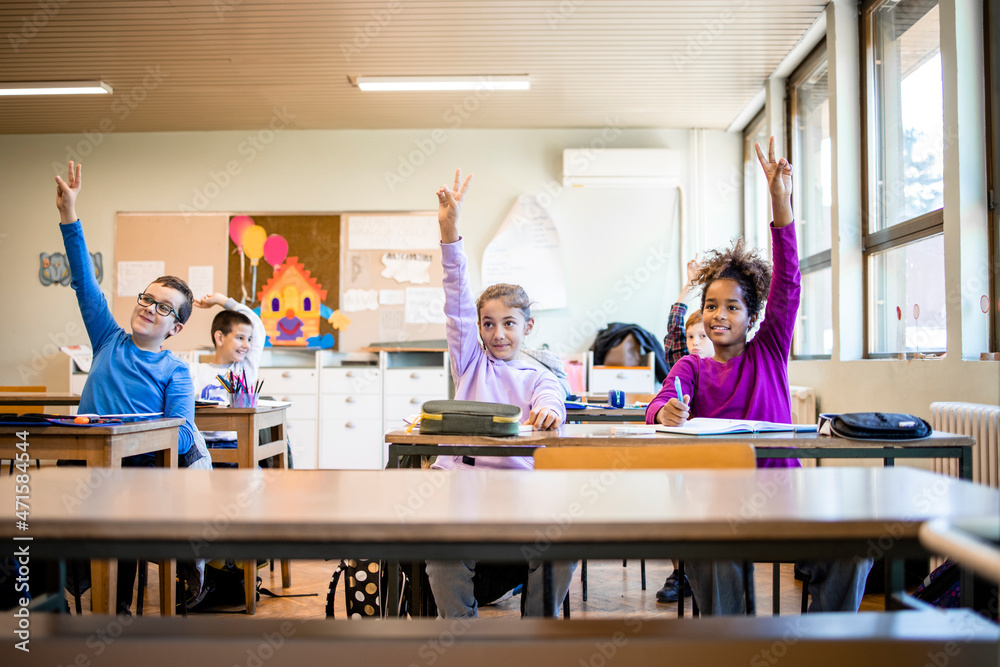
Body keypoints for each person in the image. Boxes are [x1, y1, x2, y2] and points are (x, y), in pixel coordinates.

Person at [645, 138, 872, 615]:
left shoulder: (769, 351)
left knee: (854, 546)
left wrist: (780, 202)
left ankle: (825, 638)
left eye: (732, 307)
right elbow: (656, 408)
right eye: (711, 306)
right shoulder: (691, 367)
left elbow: (789, 279)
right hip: (719, 508)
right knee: (710, 550)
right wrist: (664, 411)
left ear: (752, 316)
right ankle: (734, 644)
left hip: (785, 501)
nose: (719, 315)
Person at [55, 161, 211, 615]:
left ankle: (118, 612)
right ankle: (50, 606)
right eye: (146, 298)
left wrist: (131, 431)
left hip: (135, 469)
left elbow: (183, 434)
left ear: (176, 328)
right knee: (32, 515)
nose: (148, 308)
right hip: (83, 457)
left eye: (163, 308)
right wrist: (70, 215)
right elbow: (84, 282)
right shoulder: (107, 338)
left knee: (121, 522)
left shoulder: (175, 370)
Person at [424, 169, 576, 618]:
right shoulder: (470, 361)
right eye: (488, 324)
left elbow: (552, 400)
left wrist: (549, 412)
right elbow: (456, 297)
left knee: (562, 549)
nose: (497, 333)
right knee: (444, 553)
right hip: (462, 484)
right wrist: (449, 231)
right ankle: (462, 641)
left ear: (528, 327)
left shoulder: (539, 374)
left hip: (520, 491)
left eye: (509, 323)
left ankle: (533, 637)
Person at [655, 257, 714, 604]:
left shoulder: (730, 362)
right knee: (676, 509)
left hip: (713, 460)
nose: (694, 341)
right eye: (690, 336)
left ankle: (701, 569)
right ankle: (682, 571)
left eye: (701, 336)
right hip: (681, 456)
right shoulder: (684, 362)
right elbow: (674, 325)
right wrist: (688, 286)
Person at [190, 292, 266, 462]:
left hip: (235, 446)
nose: (247, 345)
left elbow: (257, 325)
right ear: (219, 338)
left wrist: (221, 300)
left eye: (249, 339)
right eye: (240, 338)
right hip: (200, 448)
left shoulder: (244, 369)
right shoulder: (195, 370)